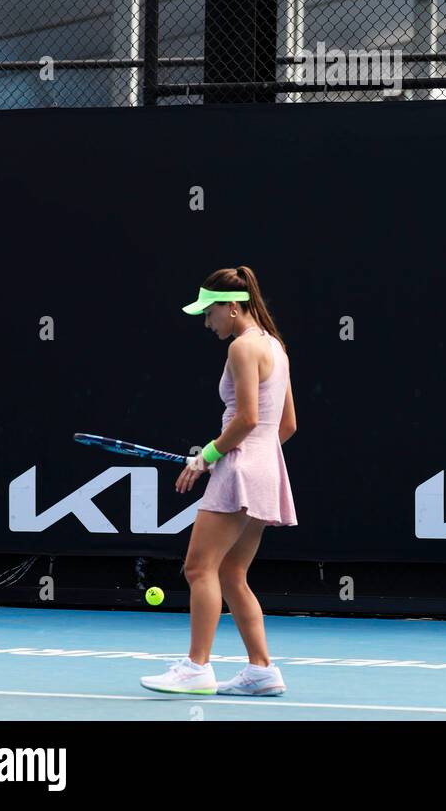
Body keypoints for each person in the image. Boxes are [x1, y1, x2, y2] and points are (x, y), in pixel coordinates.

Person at [140, 265, 297, 697]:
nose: (206, 323)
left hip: (241, 468)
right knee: (232, 572)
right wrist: (252, 455)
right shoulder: (276, 347)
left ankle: (196, 668)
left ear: (231, 307)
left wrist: (210, 457)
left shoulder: (243, 349)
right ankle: (262, 670)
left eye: (209, 314)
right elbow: (286, 425)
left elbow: (246, 417)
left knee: (198, 567)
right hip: (267, 468)